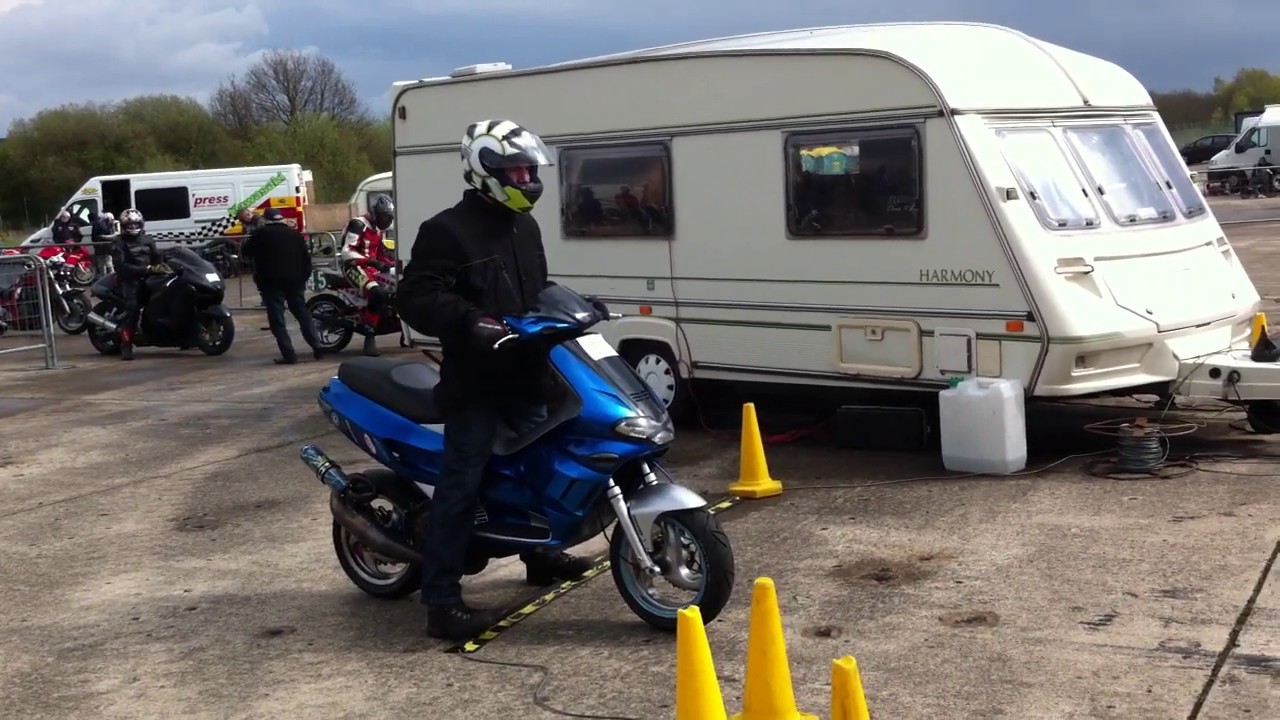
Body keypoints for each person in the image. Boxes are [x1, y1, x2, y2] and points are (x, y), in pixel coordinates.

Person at [397, 118, 595, 640]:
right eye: (516, 169)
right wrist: (469, 319)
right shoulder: (446, 230)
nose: (527, 177)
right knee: (462, 483)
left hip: (530, 373)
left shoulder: (523, 227)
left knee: (543, 467)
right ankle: (441, 601)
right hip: (477, 383)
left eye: (530, 169)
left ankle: (542, 556)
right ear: (484, 169)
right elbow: (416, 296)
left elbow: (536, 287)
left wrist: (575, 305)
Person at [240, 207, 322, 364]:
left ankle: (289, 354)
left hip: (271, 283)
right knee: (302, 314)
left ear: (267, 220)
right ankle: (317, 346)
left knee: (277, 320)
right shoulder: (295, 235)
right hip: (295, 282)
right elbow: (307, 260)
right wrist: (302, 278)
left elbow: (247, 251)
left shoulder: (261, 234)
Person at [340, 195, 398, 357]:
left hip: (371, 267)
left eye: (388, 217)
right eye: (384, 216)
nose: (386, 220)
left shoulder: (379, 230)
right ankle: (369, 334)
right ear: (375, 213)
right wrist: (372, 262)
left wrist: (390, 263)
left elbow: (379, 252)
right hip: (353, 266)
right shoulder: (358, 224)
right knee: (377, 293)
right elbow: (347, 251)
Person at [110, 209, 163, 361]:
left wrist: (165, 265)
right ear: (123, 226)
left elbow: (157, 257)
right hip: (129, 279)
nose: (133, 228)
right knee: (132, 308)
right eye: (129, 225)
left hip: (149, 277)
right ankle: (126, 344)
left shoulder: (148, 240)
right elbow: (121, 266)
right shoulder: (118, 242)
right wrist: (145, 269)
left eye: (135, 224)